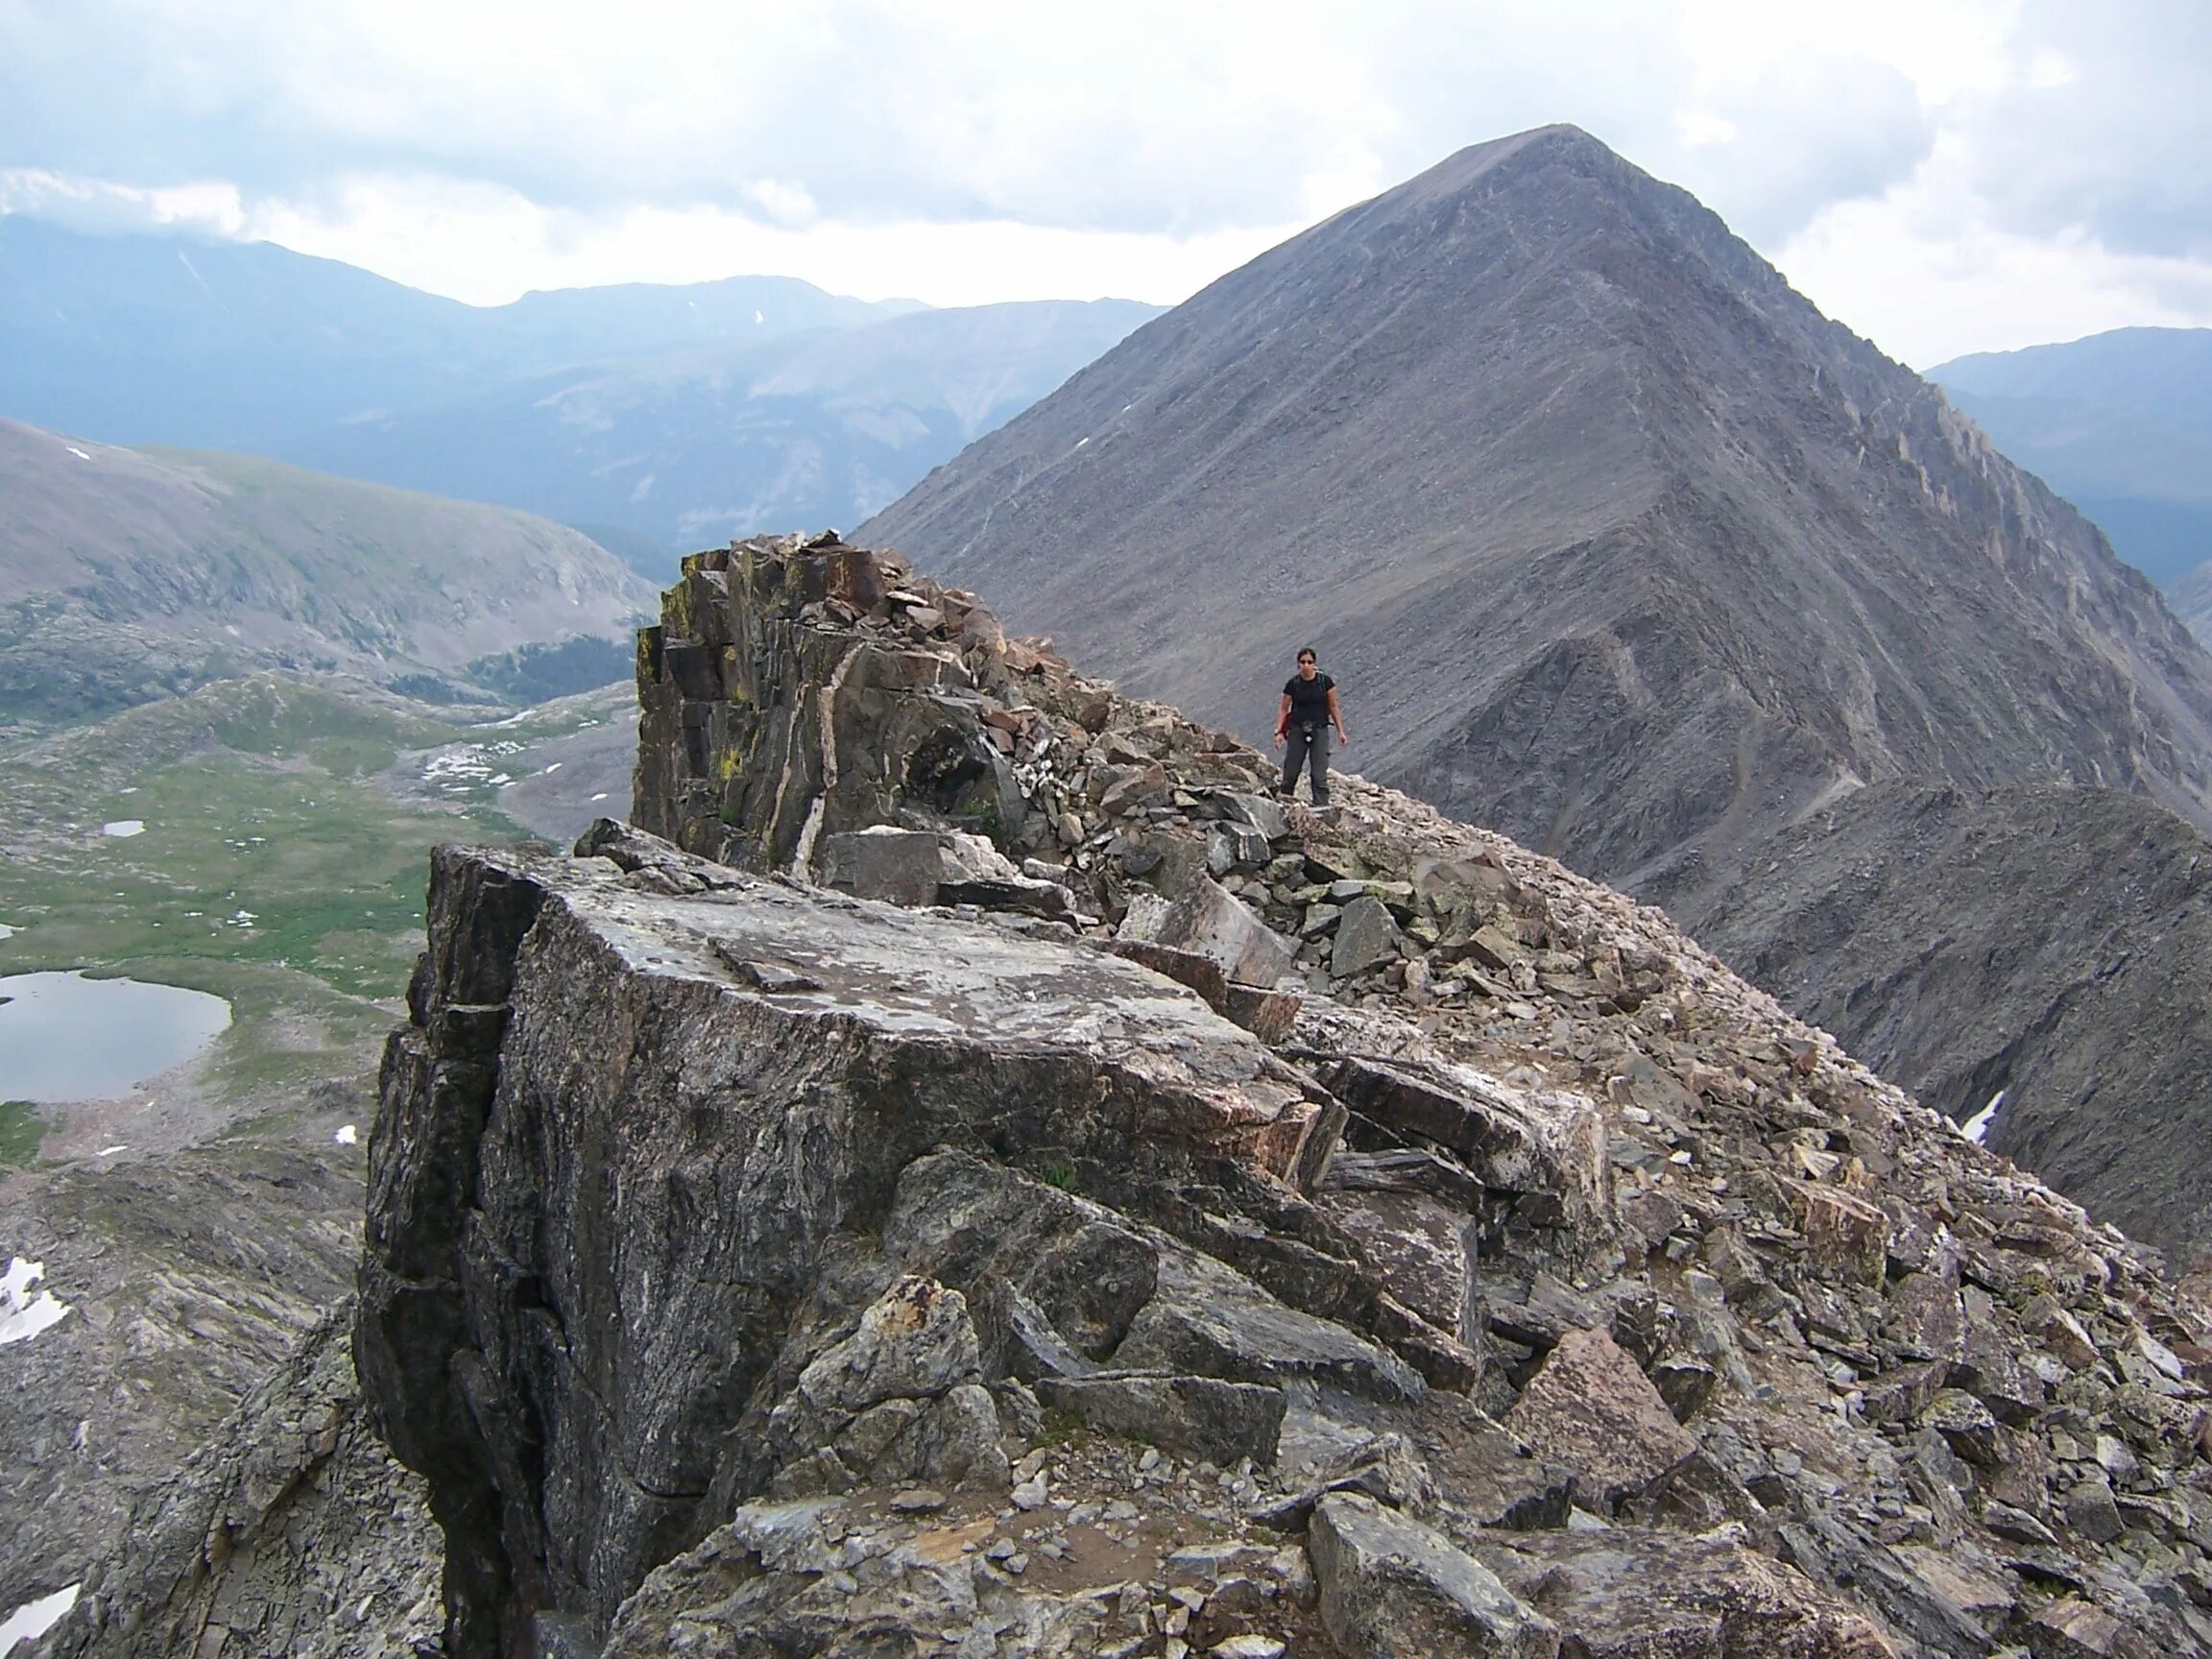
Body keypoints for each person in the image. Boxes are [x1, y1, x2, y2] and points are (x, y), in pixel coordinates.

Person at [1274, 647, 1349, 805]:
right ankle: (1284, 803)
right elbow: (1283, 708)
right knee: (1291, 771)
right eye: (1303, 662)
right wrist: (1279, 732)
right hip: (1297, 730)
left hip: (1319, 729)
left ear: (1314, 664)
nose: (1306, 665)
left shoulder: (1325, 683)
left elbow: (1333, 706)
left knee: (1319, 773)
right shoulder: (1293, 685)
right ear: (1298, 664)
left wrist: (1340, 731)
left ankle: (1321, 808)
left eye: (1309, 662)